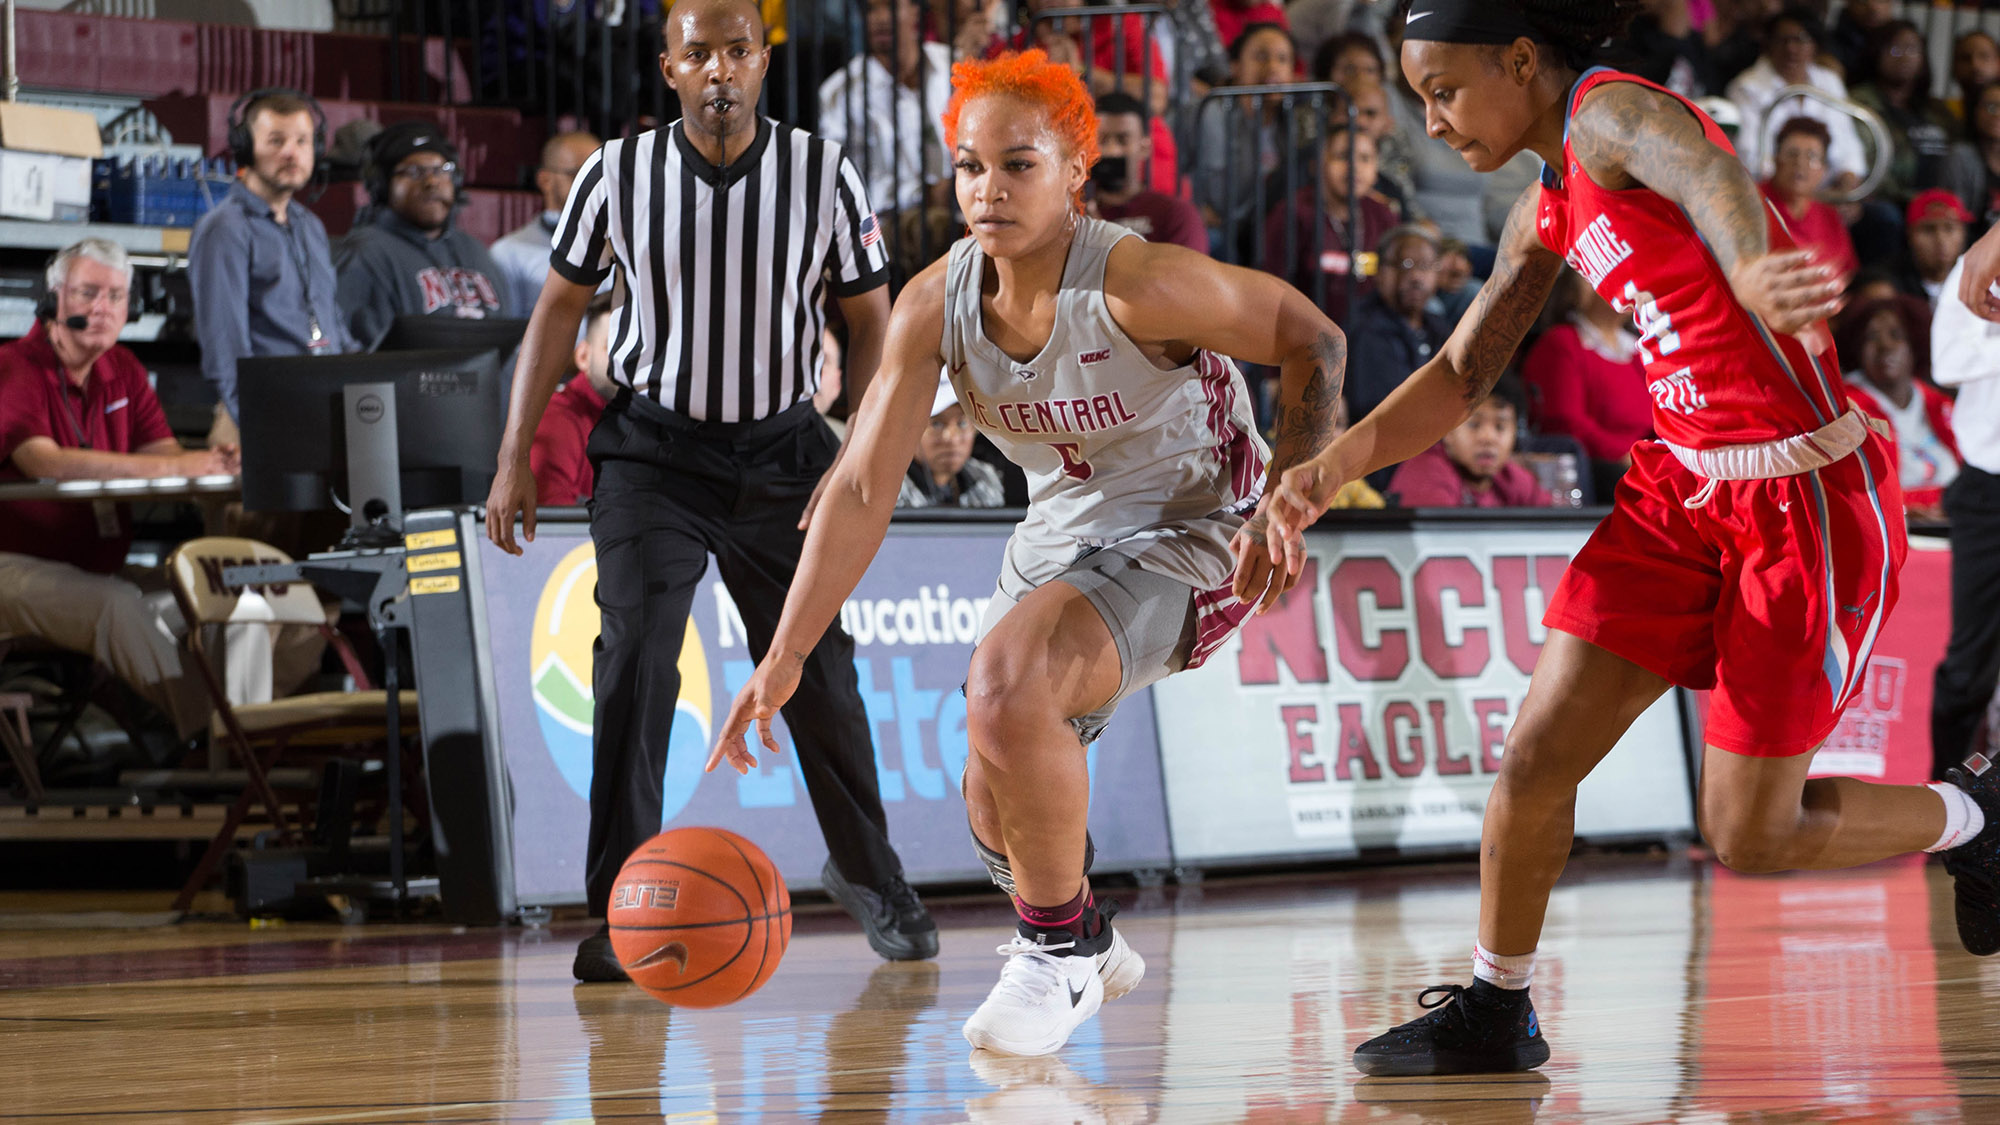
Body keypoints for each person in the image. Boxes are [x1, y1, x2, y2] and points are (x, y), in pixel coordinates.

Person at [1261, 0, 2000, 1078]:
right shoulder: (1543, 211)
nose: (1431, 122)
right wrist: (1329, 465)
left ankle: (1974, 817)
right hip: (1677, 491)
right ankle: (1495, 1007)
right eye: (1418, 98)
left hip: (1800, 495)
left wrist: (1744, 265)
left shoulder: (1604, 114)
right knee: (1531, 761)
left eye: (1444, 89)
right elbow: (1460, 375)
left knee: (1750, 834)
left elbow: (1704, 169)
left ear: (1520, 60)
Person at [707, 49, 1346, 1058]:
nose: (986, 190)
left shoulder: (1139, 281)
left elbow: (1315, 339)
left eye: (1017, 165)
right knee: (988, 799)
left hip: (1198, 522)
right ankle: (1086, 933)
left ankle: (1051, 956)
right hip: (1064, 528)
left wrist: (1291, 494)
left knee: (1006, 681)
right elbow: (863, 485)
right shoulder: (935, 302)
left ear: (1074, 171)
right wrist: (783, 656)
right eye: (967, 166)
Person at [485, 0, 937, 983]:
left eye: (739, 50)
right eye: (701, 53)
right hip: (653, 455)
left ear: (763, 60)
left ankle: (868, 871)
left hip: (781, 454)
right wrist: (515, 450)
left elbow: (871, 321)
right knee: (636, 660)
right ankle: (618, 908)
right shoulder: (615, 173)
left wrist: (857, 449)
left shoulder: (823, 170)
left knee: (818, 670)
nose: (721, 68)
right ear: (669, 68)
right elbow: (556, 310)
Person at [0, 240, 240, 743]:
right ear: (53, 299)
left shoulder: (124, 370)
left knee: (221, 596)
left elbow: (166, 455)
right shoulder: (15, 366)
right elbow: (45, 462)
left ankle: (247, 728)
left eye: (116, 296)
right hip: (11, 569)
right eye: (88, 293)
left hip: (93, 568)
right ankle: (222, 740)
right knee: (117, 604)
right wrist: (178, 465)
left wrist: (213, 461)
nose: (102, 308)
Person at [188, 88, 356, 437]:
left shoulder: (310, 225)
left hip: (326, 405)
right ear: (247, 149)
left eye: (302, 141)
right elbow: (225, 350)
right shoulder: (225, 229)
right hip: (262, 414)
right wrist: (257, 429)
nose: (291, 153)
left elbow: (332, 322)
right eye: (276, 141)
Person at [333, 121, 511, 350]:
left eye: (441, 170)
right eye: (414, 172)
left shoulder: (475, 251)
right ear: (382, 184)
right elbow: (366, 359)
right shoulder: (363, 255)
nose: (431, 182)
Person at [816, 0, 956, 269]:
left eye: (889, 6)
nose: (880, 18)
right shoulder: (839, 93)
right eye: (870, 10)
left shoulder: (953, 64)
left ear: (915, 9)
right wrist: (926, 194)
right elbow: (842, 186)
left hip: (962, 214)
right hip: (888, 229)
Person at [1931, 250, 2000, 779]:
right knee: (1970, 664)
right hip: (1989, 491)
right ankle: (1948, 799)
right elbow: (1947, 363)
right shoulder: (1981, 264)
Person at [1519, 268, 1654, 497]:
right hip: (1597, 469)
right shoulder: (1562, 343)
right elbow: (1567, 424)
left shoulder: (1638, 349)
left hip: (1643, 462)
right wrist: (1629, 456)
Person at [1260, 122, 1397, 326]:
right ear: (1317, 165)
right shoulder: (1292, 212)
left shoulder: (1383, 215)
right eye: (1342, 156)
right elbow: (1270, 287)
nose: (1354, 167)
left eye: (1365, 159)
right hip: (1304, 333)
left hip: (1370, 336)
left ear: (1376, 170)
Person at [1837, 295, 1958, 515]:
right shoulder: (1845, 407)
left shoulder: (1939, 403)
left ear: (1914, 344)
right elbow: (1853, 493)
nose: (1885, 346)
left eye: (1896, 335)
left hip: (1953, 526)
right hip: (1893, 534)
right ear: (1856, 347)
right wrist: (1908, 509)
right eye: (1871, 337)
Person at [1725, 7, 1865, 183]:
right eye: (1782, 40)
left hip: (1828, 190)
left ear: (1816, 45)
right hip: (1771, 191)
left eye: (1801, 39)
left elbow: (1848, 144)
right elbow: (1751, 155)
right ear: (1768, 44)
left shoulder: (1829, 81)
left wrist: (1848, 180)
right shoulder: (1746, 87)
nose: (1791, 48)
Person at [1386, 375, 1551, 507]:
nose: (1488, 438)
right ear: (1447, 431)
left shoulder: (1510, 477)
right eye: (1474, 424)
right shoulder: (1426, 473)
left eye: (1500, 427)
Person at [489, 131, 603, 317]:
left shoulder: (623, 244)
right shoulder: (508, 253)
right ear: (545, 180)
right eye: (578, 173)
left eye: (600, 174)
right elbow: (505, 336)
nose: (594, 184)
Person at [1345, 224, 1448, 422]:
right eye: (1405, 265)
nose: (1416, 277)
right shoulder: (1366, 329)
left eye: (1426, 266)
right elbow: (1383, 411)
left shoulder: (1437, 326)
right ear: (1381, 272)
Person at [1850, 22, 1957, 207]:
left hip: (1942, 204)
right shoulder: (1859, 102)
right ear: (1876, 53)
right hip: (1895, 202)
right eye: (1894, 49)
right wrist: (1912, 200)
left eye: (1913, 49)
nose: (1905, 56)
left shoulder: (1936, 109)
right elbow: (1867, 164)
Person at [528, 292, 617, 508]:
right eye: (613, 345)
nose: (627, 359)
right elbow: (553, 527)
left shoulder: (659, 417)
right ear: (583, 356)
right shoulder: (558, 417)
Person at [1090, 92, 1207, 253]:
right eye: (1101, 140)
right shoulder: (1071, 214)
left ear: (1145, 147)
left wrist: (1102, 240)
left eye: (1123, 140)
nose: (1112, 151)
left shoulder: (1174, 214)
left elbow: (1186, 276)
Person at [1759, 116, 1859, 281]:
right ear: (1775, 160)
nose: (1800, 163)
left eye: (1812, 156)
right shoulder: (1753, 202)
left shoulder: (1830, 215)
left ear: (1823, 170)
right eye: (1791, 154)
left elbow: (1850, 275)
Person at [897, 377, 1007, 508]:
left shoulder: (984, 478)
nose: (952, 438)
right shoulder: (887, 489)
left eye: (962, 423)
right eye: (936, 424)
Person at [1944, 81, 2000, 237]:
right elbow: (1953, 219)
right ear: (1975, 111)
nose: (1997, 114)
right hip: (1971, 251)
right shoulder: (1961, 157)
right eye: (1990, 107)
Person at [1898, 188, 1971, 308]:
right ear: (1910, 235)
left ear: (1963, 233)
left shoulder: (1984, 284)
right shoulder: (1891, 288)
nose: (1940, 240)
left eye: (1949, 228)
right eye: (1928, 229)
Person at [1949, 31, 2000, 125]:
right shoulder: (1942, 112)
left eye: (1984, 56)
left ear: (1998, 63)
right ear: (1954, 66)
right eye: (1965, 58)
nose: (1975, 65)